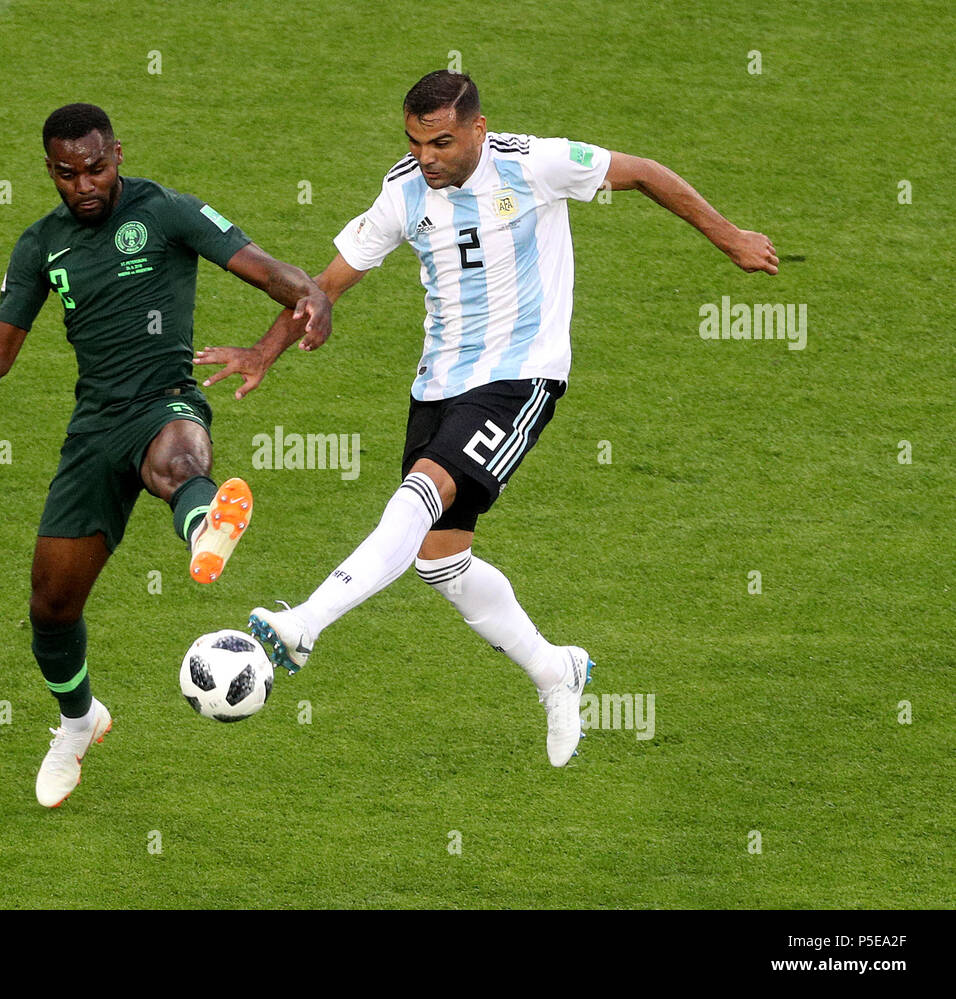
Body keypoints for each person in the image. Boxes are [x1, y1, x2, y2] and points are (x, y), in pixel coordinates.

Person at [195, 71, 776, 766]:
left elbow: (645, 173)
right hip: (439, 383)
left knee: (421, 492)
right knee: (440, 559)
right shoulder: (404, 191)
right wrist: (266, 350)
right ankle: (556, 671)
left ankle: (303, 623)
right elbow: (327, 284)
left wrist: (730, 236)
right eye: (415, 142)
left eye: (441, 141)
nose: (427, 157)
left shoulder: (534, 164)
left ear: (476, 128)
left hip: (521, 375)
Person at [0, 103, 331, 806]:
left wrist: (310, 296)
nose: (83, 185)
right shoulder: (40, 245)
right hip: (94, 426)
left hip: (165, 398)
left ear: (117, 153)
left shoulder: (166, 211)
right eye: (65, 173)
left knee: (179, 464)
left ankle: (208, 527)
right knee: (51, 607)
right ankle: (80, 722)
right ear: (49, 169)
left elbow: (267, 268)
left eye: (95, 167)